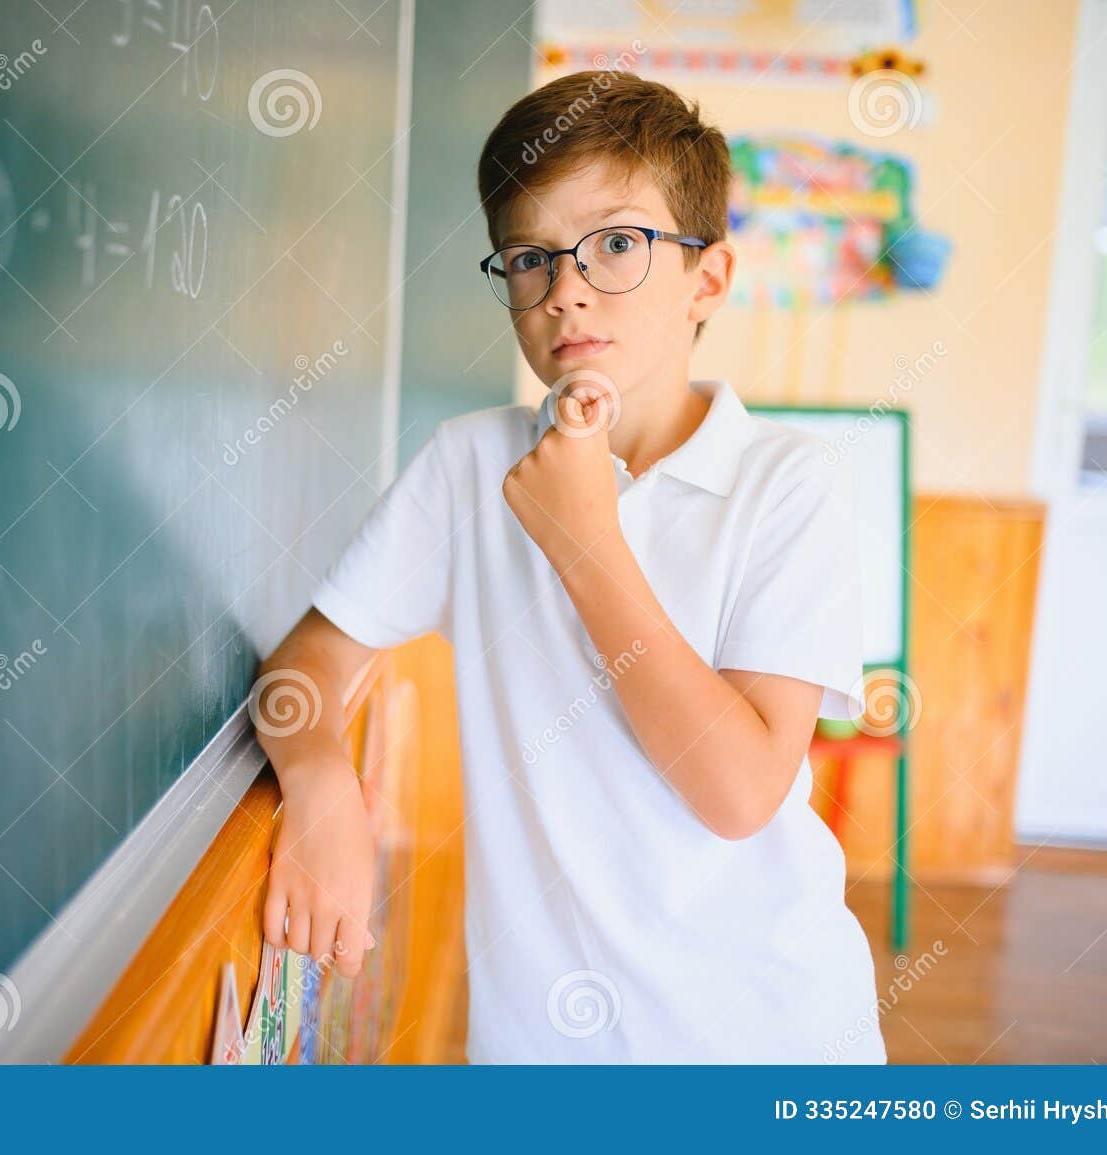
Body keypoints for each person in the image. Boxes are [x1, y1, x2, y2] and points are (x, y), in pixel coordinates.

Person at [252, 69, 884, 1063]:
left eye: (619, 244)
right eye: (529, 256)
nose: (568, 288)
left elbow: (737, 794)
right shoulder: (469, 464)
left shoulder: (788, 484)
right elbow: (302, 672)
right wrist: (323, 786)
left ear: (706, 280)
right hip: (544, 1049)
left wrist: (584, 542)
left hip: (766, 1038)